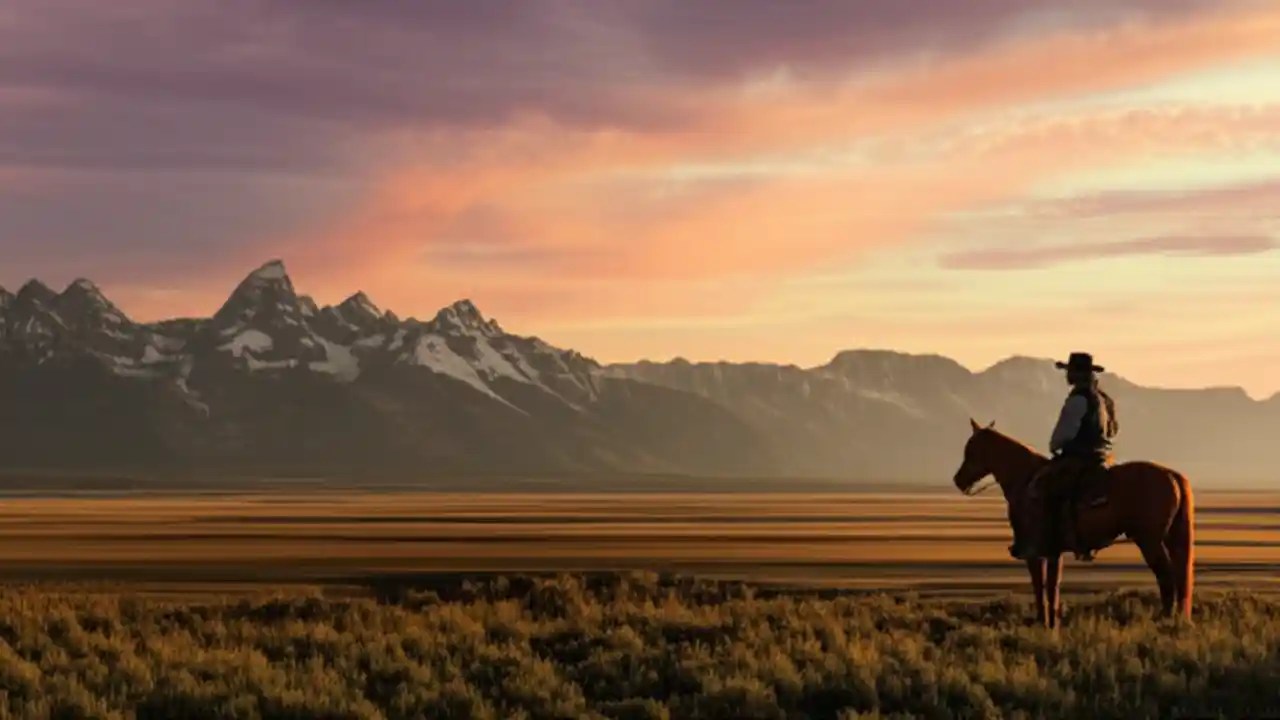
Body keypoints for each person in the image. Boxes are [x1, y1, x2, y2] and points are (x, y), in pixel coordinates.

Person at [1010, 352, 1118, 560]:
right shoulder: (1104, 399)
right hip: (1103, 457)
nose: (1067, 375)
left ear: (1077, 374)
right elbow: (1113, 430)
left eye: (1070, 371)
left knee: (1040, 487)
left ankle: (1046, 541)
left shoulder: (1078, 399)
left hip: (1081, 457)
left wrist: (1055, 446)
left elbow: (1064, 432)